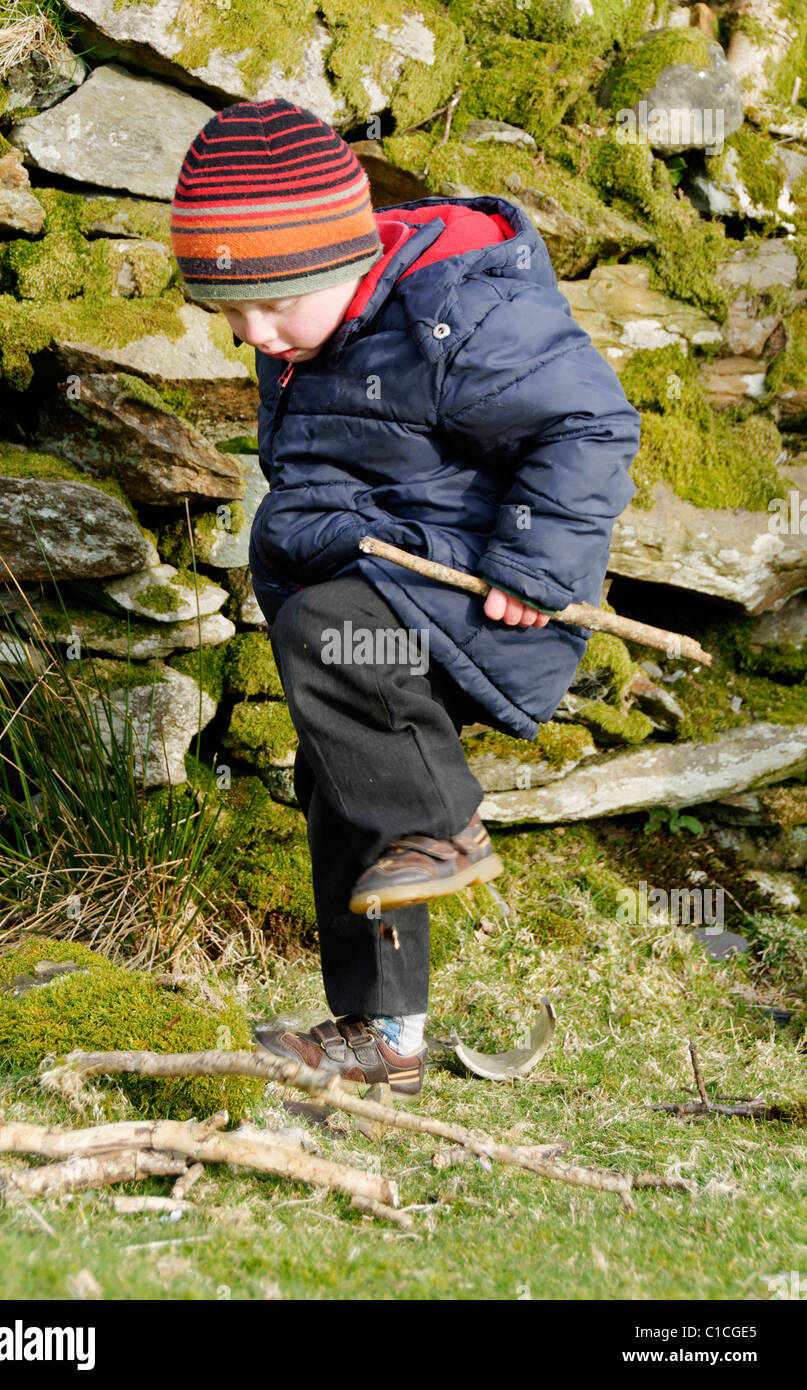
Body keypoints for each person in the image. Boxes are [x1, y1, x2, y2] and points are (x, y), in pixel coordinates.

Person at [170, 97, 641, 1094]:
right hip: (380, 593)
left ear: (342, 258)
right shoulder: (303, 325)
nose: (254, 332)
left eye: (272, 304)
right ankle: (384, 1032)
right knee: (342, 782)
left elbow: (588, 427)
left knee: (327, 638)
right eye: (231, 311)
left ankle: (444, 821)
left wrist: (531, 567)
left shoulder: (453, 316)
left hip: (480, 593)